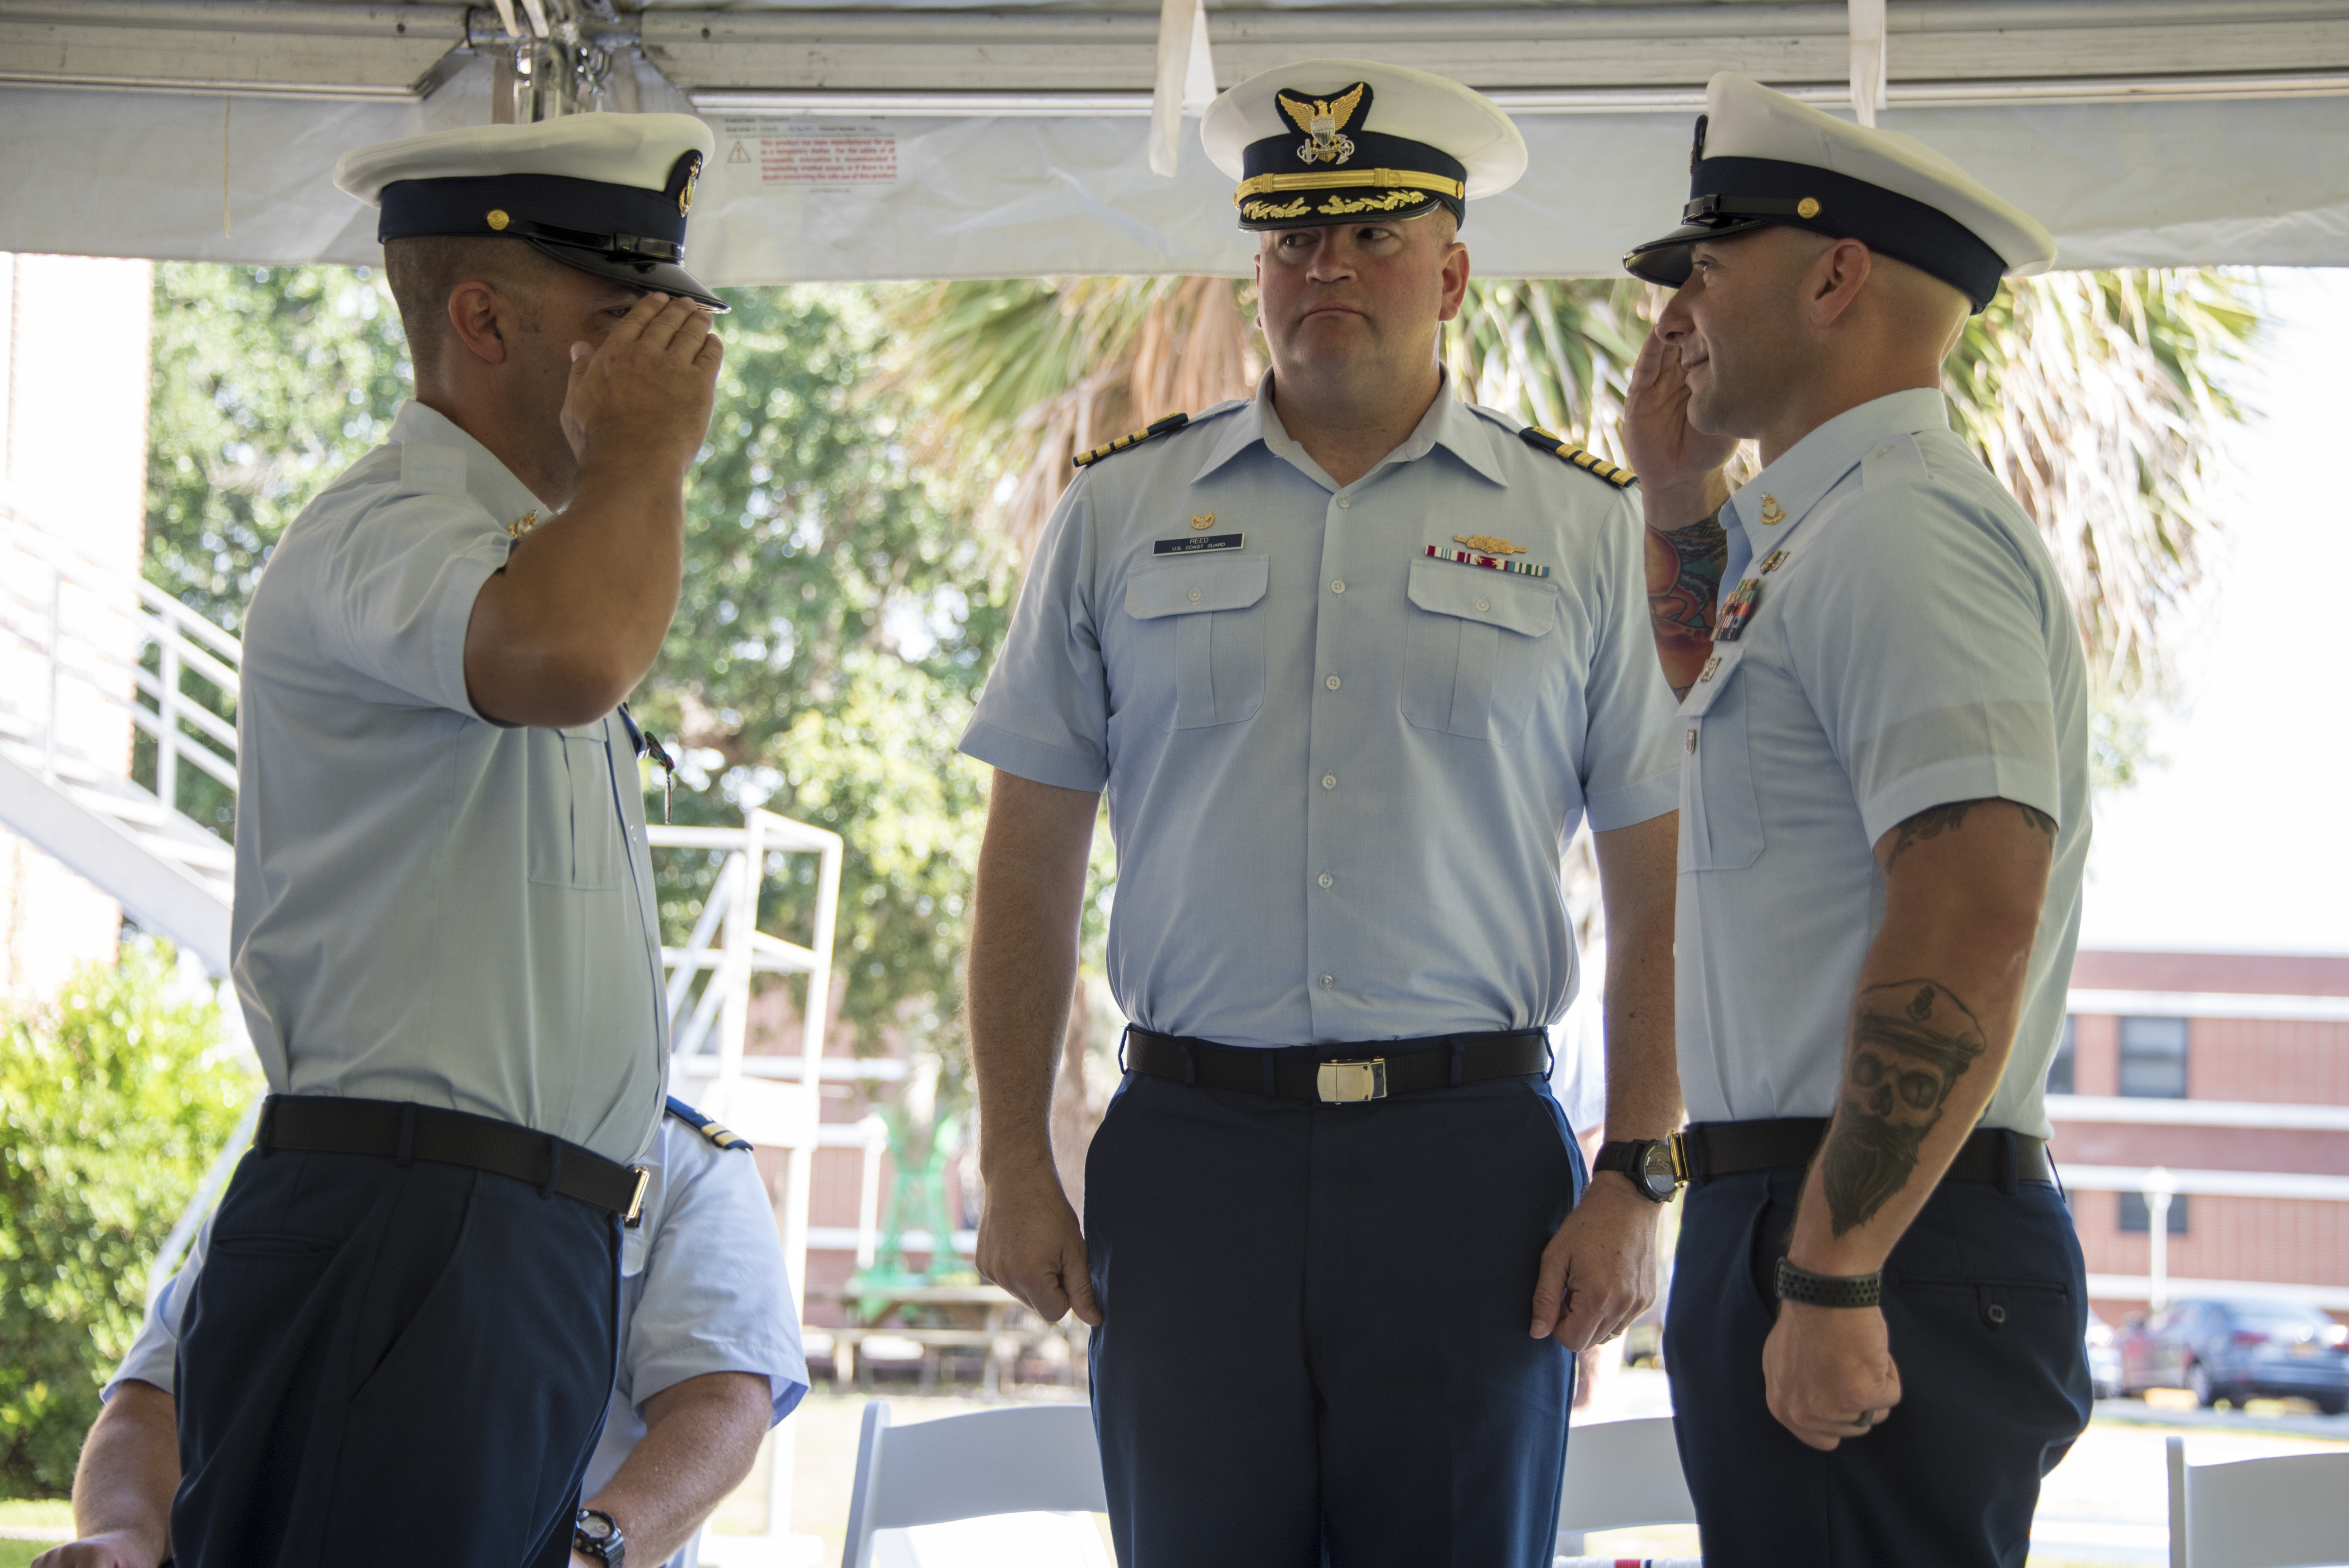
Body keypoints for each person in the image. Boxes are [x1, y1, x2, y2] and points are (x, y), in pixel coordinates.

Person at [961, 57, 1684, 1567]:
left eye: (1369, 233)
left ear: (1454, 270)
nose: (1327, 267)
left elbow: (1656, 876)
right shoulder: (1117, 512)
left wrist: (1637, 1168)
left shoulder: (1580, 527)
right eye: (1292, 237)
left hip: (1468, 1164)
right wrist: (1016, 1153)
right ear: (1256, 269)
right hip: (1189, 1154)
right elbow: (1027, 854)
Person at [173, 114, 726, 1568]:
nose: (672, 371)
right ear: (482, 316)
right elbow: (567, 657)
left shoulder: (531, 547)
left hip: (510, 1238)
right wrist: (646, 455)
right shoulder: (387, 529)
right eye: (622, 324)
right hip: (411, 1224)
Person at [1620, 72, 2093, 1566]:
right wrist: (1678, 493)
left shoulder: (1901, 531)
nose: (1678, 309)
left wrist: (1830, 1270)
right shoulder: (1827, 529)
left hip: (1870, 1227)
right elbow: (1719, 690)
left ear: (1833, 275)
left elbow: (1968, 905)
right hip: (1816, 1209)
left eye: (1707, 264)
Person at [37, 1099, 804, 1568]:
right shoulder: (312, 1150)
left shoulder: (685, 1167)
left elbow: (720, 1403)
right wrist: (124, 1534)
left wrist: (590, 1551)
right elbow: (154, 1396)